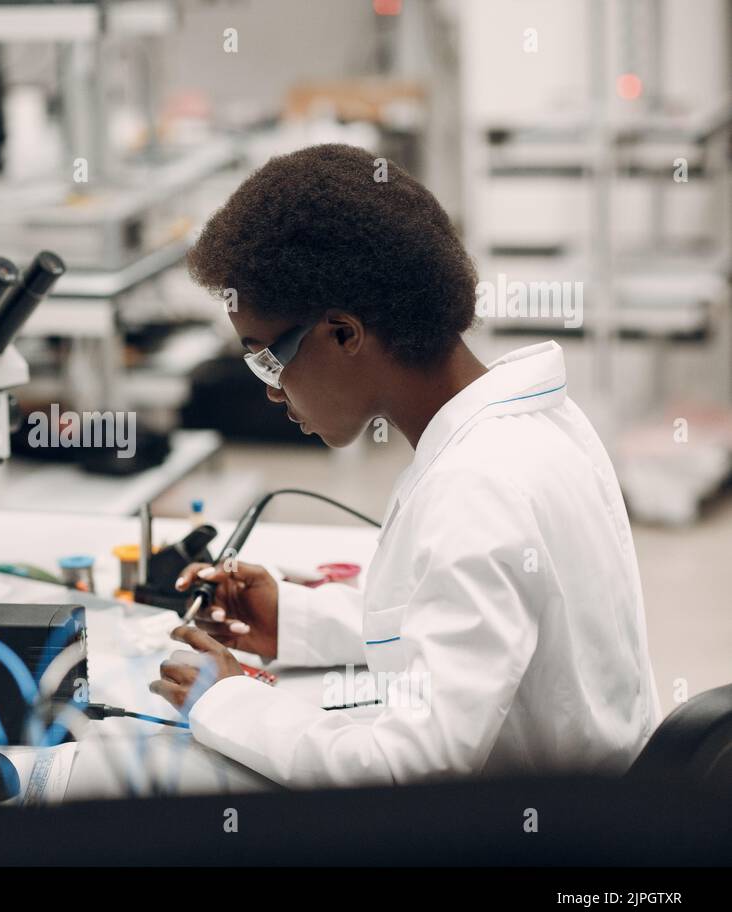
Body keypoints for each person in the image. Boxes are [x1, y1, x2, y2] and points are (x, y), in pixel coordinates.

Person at [148, 144, 660, 787]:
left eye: (266, 358)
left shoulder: (475, 487)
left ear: (344, 333)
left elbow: (408, 770)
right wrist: (299, 620)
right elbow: (466, 630)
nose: (271, 392)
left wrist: (227, 699)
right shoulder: (531, 426)